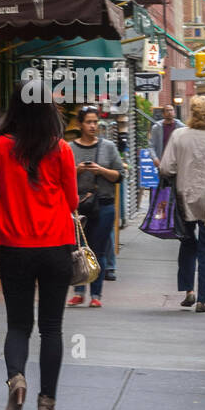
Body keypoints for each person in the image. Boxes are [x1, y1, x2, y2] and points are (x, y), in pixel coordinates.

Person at [0, 86, 78, 410]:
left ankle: (16, 380)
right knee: (52, 328)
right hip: (56, 247)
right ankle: (46, 404)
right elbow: (72, 201)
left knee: (18, 325)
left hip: (15, 248)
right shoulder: (62, 149)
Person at [160, 95, 205, 313]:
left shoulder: (179, 135)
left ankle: (188, 291)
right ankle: (202, 299)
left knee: (187, 242)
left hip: (185, 199)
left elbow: (166, 168)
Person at [67, 108, 125, 308]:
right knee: (78, 249)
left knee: (98, 249)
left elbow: (120, 175)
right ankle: (79, 291)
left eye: (95, 122)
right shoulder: (69, 148)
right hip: (77, 206)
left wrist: (100, 170)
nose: (93, 126)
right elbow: (59, 177)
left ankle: (96, 294)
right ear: (80, 124)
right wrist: (77, 170)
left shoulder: (108, 147)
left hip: (104, 204)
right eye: (89, 122)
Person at [149, 100, 185, 171]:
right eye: (167, 111)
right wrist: (155, 159)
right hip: (162, 161)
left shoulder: (181, 127)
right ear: (163, 114)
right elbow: (151, 145)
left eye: (171, 110)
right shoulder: (156, 128)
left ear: (174, 113)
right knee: (163, 181)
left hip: (177, 161)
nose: (169, 112)